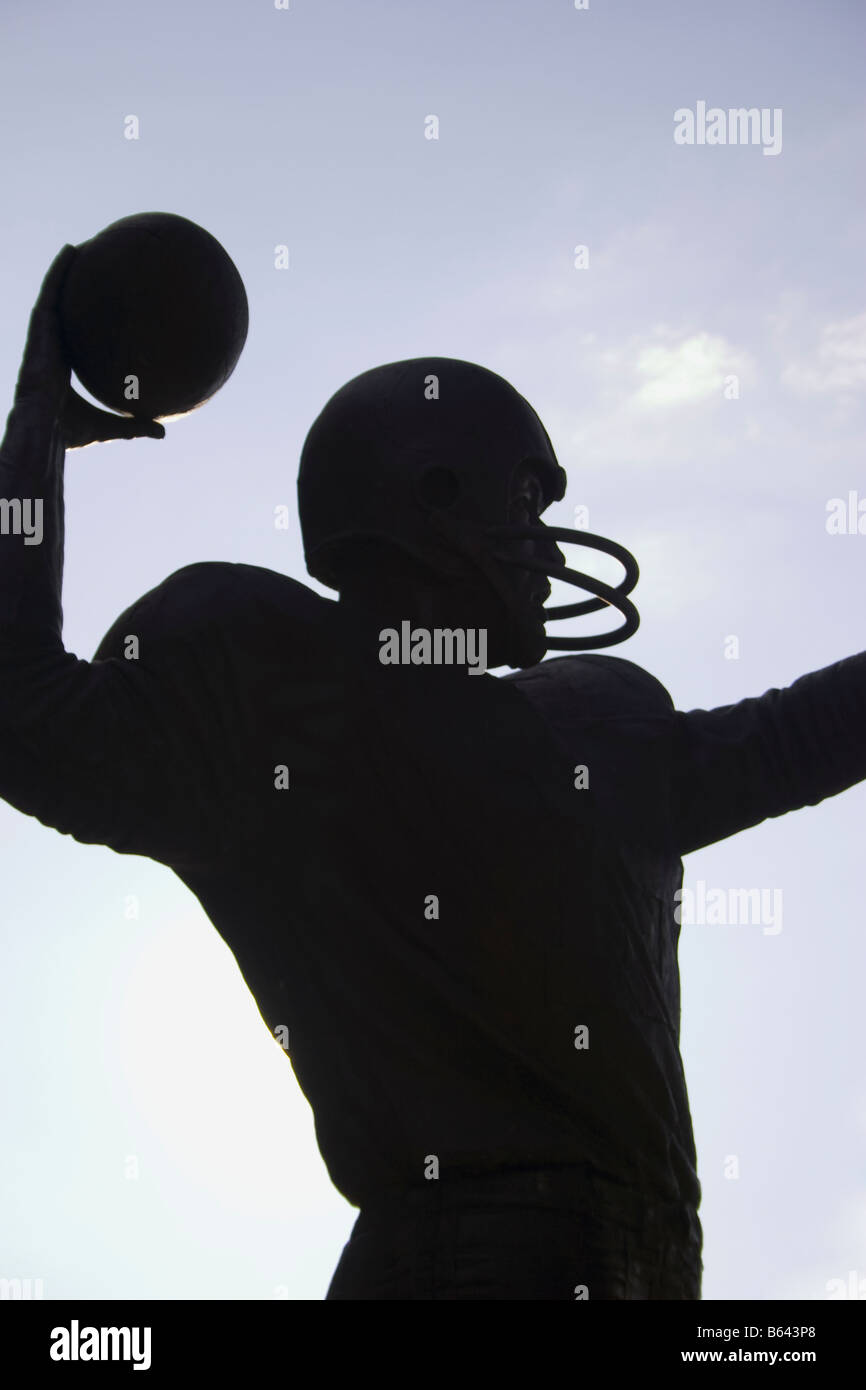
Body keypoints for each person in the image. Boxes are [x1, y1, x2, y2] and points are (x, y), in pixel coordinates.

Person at [2, 247, 864, 1300]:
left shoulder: (584, 723)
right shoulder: (274, 674)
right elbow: (21, 713)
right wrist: (34, 437)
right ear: (433, 495)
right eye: (523, 502)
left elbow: (808, 732)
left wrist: (34, 444)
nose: (543, 544)